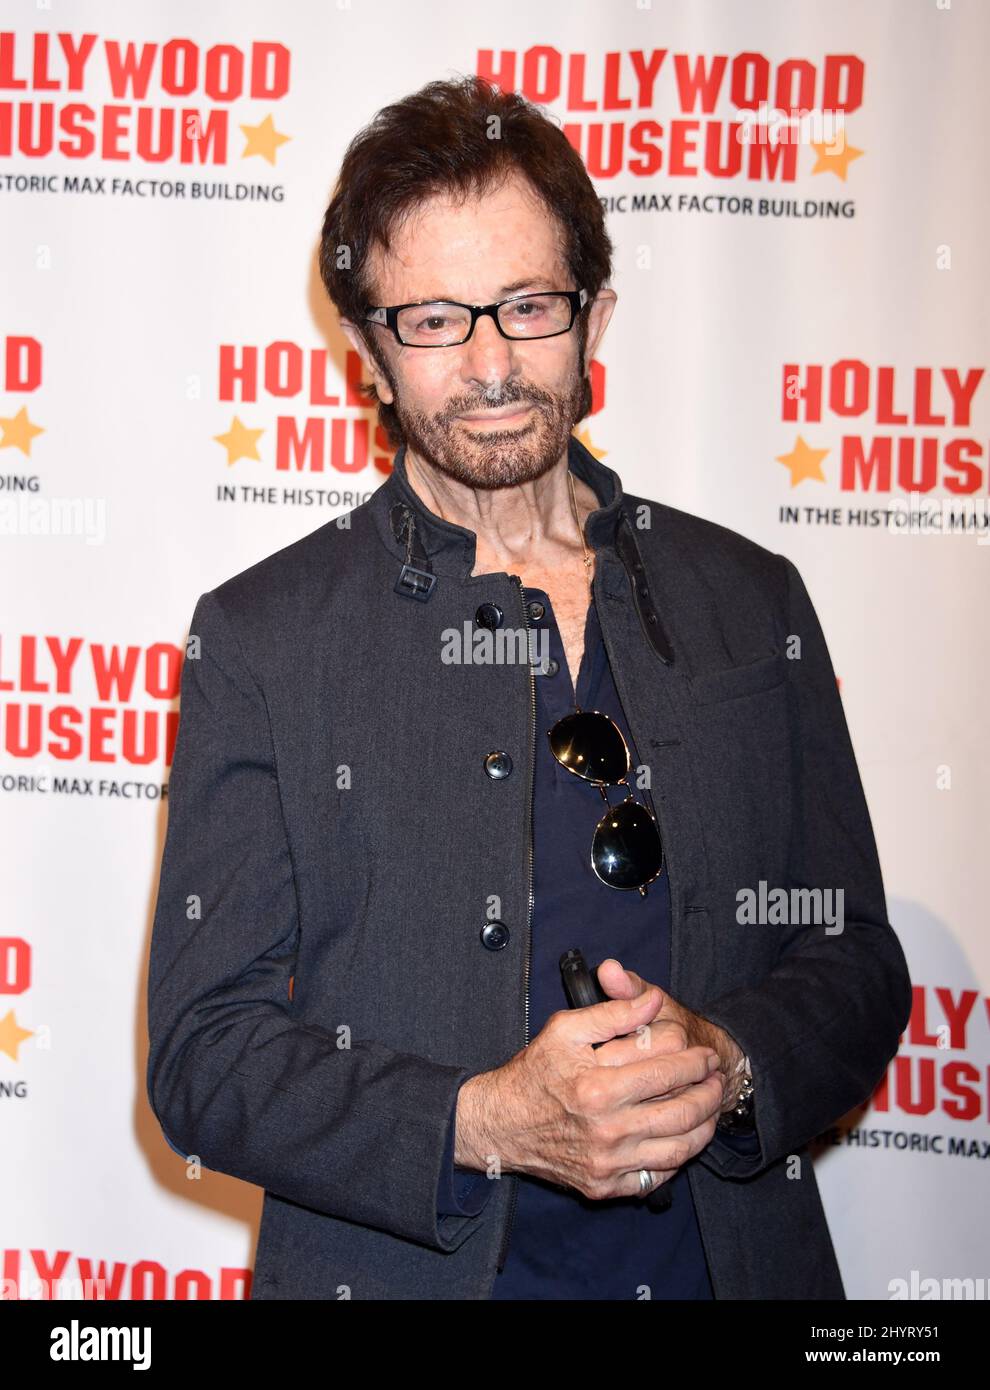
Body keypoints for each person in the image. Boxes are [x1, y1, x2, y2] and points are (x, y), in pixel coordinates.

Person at [146, 75, 912, 1300]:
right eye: (436, 319)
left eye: (527, 305)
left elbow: (857, 962)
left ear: (594, 320)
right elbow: (202, 1054)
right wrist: (482, 1121)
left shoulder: (751, 596)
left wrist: (733, 1058)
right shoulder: (261, 637)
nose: (493, 363)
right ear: (370, 354)